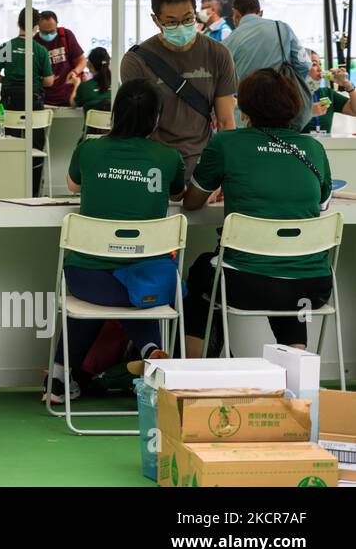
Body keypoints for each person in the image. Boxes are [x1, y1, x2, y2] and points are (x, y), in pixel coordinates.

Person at [47, 80, 186, 402]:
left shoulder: (89, 149)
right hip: (151, 282)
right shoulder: (168, 157)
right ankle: (152, 350)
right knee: (136, 291)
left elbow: (72, 185)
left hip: (87, 280)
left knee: (94, 303)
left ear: (115, 114)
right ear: (156, 117)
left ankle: (58, 377)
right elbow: (179, 193)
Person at [182, 68, 332, 357]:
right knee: (286, 270)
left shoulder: (226, 143)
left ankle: (197, 370)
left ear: (246, 107)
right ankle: (296, 374)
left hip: (243, 284)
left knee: (202, 270)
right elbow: (323, 203)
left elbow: (192, 202)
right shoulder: (312, 148)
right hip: (312, 287)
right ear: (293, 105)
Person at [119, 0, 237, 177]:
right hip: (154, 166)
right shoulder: (136, 61)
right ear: (156, 20)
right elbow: (135, 129)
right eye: (172, 22)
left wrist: (223, 172)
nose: (181, 27)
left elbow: (226, 122)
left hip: (202, 164)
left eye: (188, 19)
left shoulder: (218, 54)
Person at [0, 8, 55, 194]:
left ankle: (9, 188)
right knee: (35, 148)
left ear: (18, 23)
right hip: (34, 107)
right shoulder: (40, 50)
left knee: (9, 147)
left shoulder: (6, 47)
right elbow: (49, 81)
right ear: (36, 26)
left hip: (9, 106)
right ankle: (33, 192)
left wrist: (8, 80)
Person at [225, 0, 311, 132]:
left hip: (246, 116)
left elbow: (225, 85)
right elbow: (304, 64)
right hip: (281, 109)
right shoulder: (282, 28)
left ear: (235, 13)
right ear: (261, 12)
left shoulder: (228, 42)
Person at [37, 10, 86, 107]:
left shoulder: (66, 35)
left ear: (57, 25)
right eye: (44, 32)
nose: (48, 35)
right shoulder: (34, 42)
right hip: (46, 99)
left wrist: (75, 72)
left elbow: (82, 61)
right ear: (38, 27)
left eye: (52, 31)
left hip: (69, 96)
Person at [302, 52, 355, 134]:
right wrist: (307, 112)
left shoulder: (327, 93)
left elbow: (354, 110)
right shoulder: (289, 94)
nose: (320, 69)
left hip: (326, 145)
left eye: (320, 64)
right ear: (301, 68)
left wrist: (347, 84)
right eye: (314, 64)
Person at [69, 47, 112, 113]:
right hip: (113, 123)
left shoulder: (84, 86)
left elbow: (73, 104)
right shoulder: (117, 85)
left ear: (89, 65)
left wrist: (77, 85)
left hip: (92, 123)